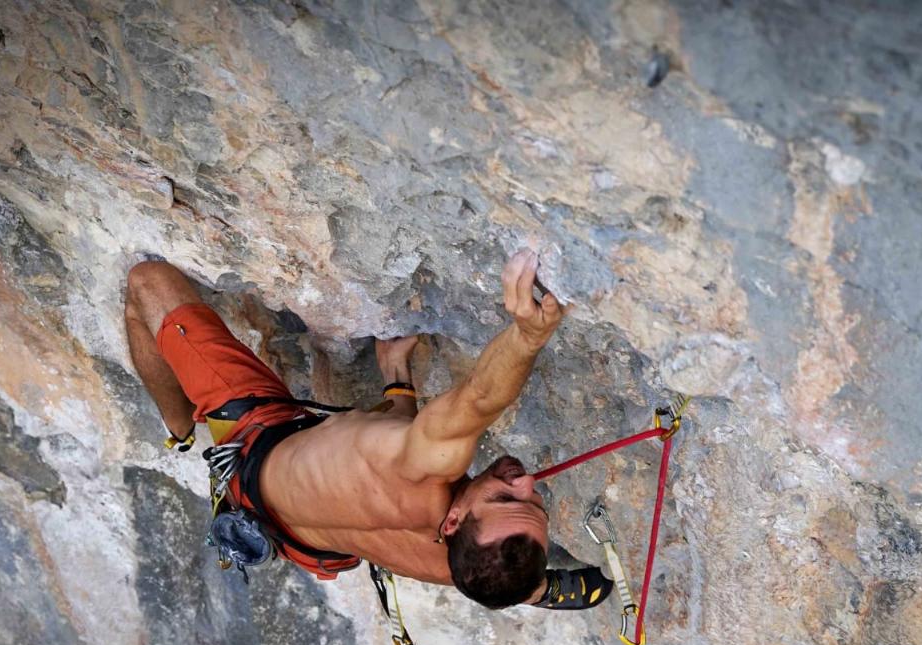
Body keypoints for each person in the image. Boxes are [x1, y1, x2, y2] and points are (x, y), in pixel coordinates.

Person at [124, 249, 611, 610]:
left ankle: (180, 424)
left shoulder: (429, 470)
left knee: (146, 285)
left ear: (453, 521)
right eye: (532, 502)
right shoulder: (433, 511)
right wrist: (397, 381)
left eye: (507, 498)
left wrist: (528, 335)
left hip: (255, 445)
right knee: (468, 566)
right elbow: (398, 452)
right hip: (312, 546)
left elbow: (478, 401)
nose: (526, 482)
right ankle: (531, 590)